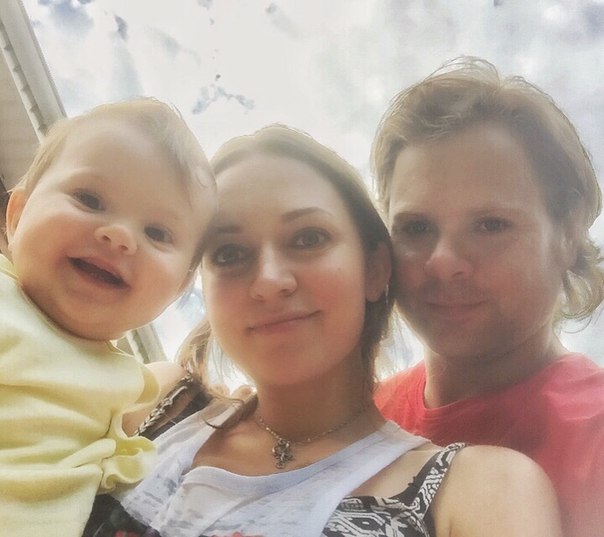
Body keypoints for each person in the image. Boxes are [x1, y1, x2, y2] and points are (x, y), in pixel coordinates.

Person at [84, 124, 561, 537]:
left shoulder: (480, 492)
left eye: (308, 238)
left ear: (374, 268)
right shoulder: (155, 404)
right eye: (229, 253)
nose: (269, 281)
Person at [371, 57, 604, 537]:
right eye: (416, 228)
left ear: (568, 234)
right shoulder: (360, 419)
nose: (444, 261)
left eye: (490, 225)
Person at [0, 97, 216, 536]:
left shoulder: (129, 389)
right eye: (89, 198)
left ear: (177, 290)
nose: (119, 235)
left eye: (157, 232)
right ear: (17, 215)